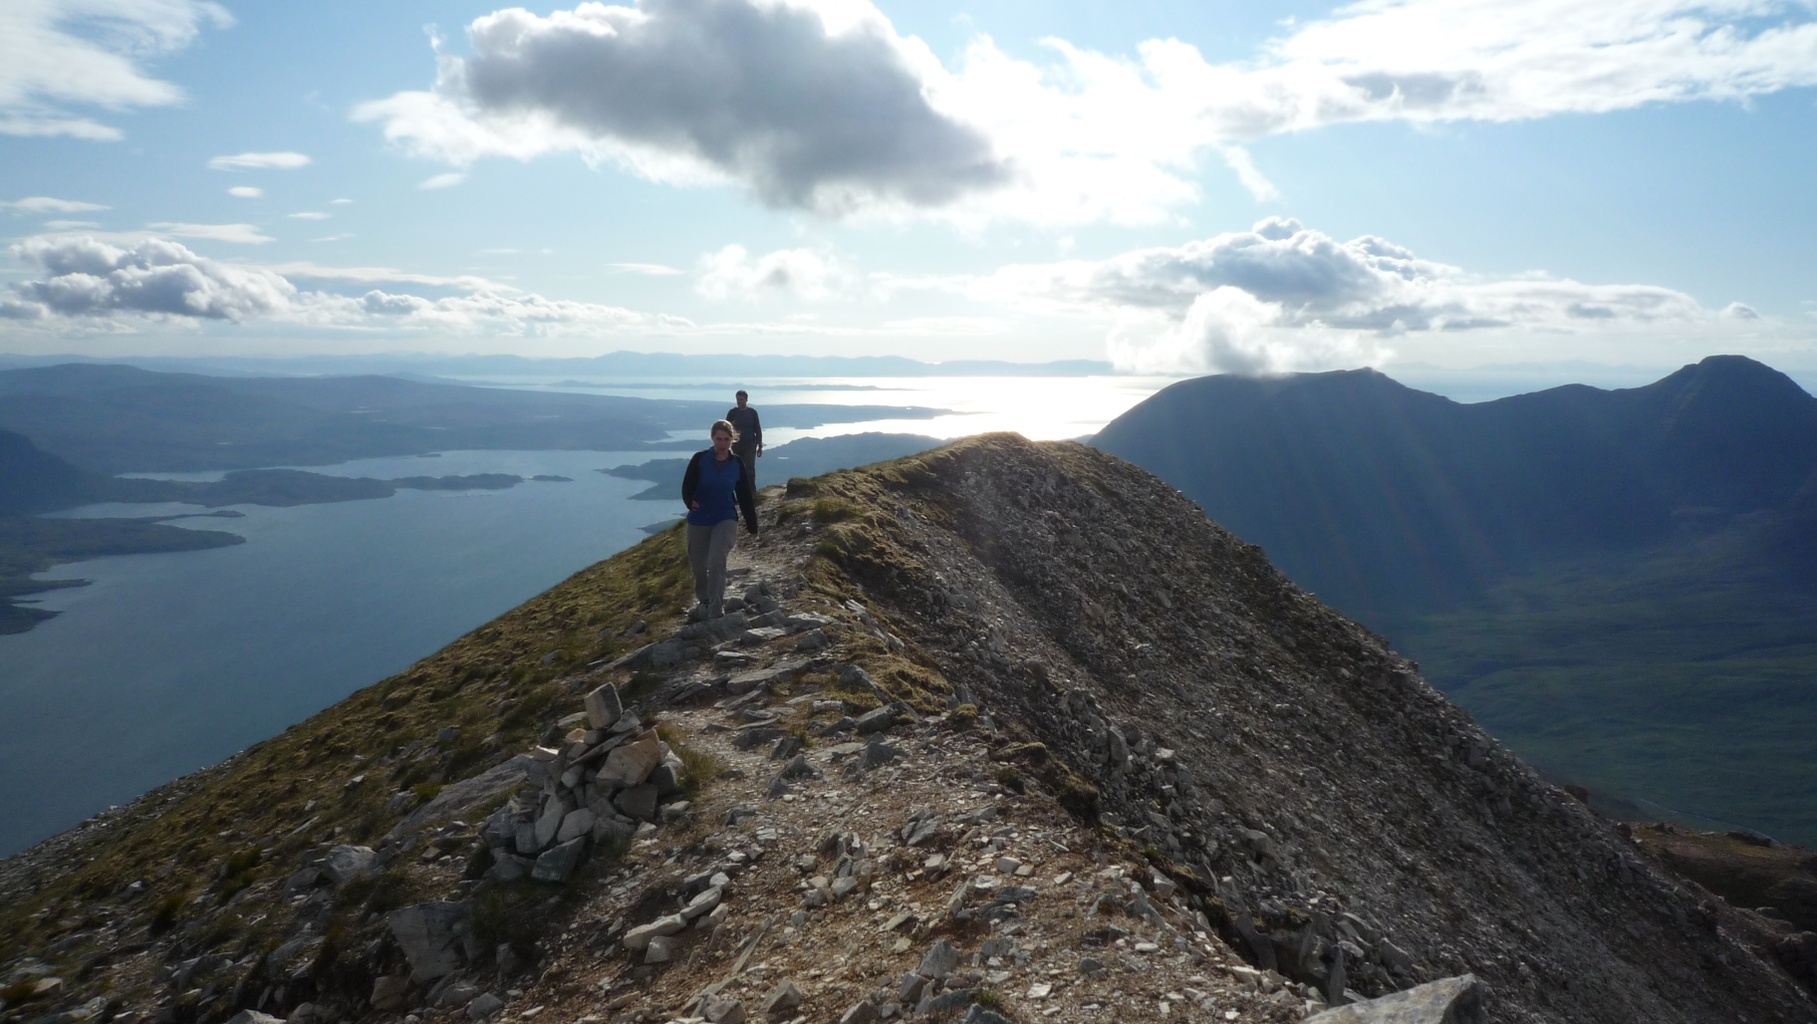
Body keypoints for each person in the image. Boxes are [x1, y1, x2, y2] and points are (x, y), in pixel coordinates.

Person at [681, 419, 758, 620]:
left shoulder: (736, 463)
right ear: (712, 438)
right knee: (698, 565)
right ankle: (704, 599)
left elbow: (744, 495)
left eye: (727, 439)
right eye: (718, 439)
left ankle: (716, 609)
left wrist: (752, 523)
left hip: (725, 517)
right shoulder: (699, 459)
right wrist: (690, 502)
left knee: (716, 561)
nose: (722, 443)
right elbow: (687, 486)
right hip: (700, 518)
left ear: (733, 440)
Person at [725, 389, 763, 489]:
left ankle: (752, 493)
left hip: (750, 444)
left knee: (749, 469)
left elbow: (757, 428)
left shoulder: (752, 412)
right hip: (736, 445)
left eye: (741, 399)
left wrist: (760, 446)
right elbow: (726, 428)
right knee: (738, 469)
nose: (739, 401)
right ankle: (741, 493)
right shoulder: (732, 413)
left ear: (746, 400)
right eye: (737, 399)